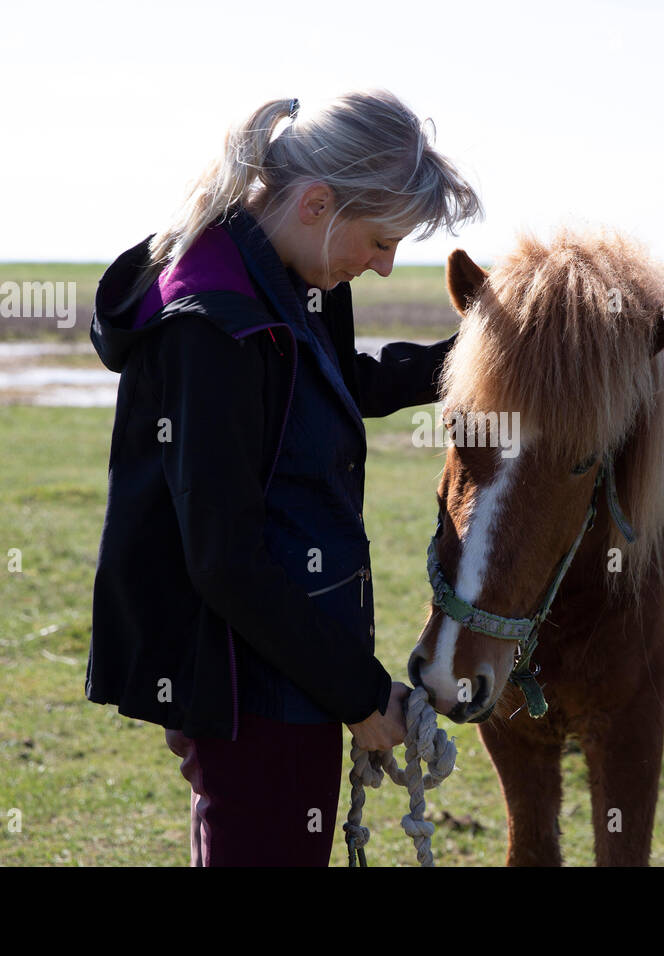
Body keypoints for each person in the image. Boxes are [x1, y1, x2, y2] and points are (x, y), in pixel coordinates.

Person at [84, 90, 482, 866]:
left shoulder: (281, 276)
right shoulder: (214, 323)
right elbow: (224, 559)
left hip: (284, 662)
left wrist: (485, 354)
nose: (383, 264)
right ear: (317, 203)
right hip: (251, 683)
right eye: (379, 240)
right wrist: (362, 697)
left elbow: (340, 382)